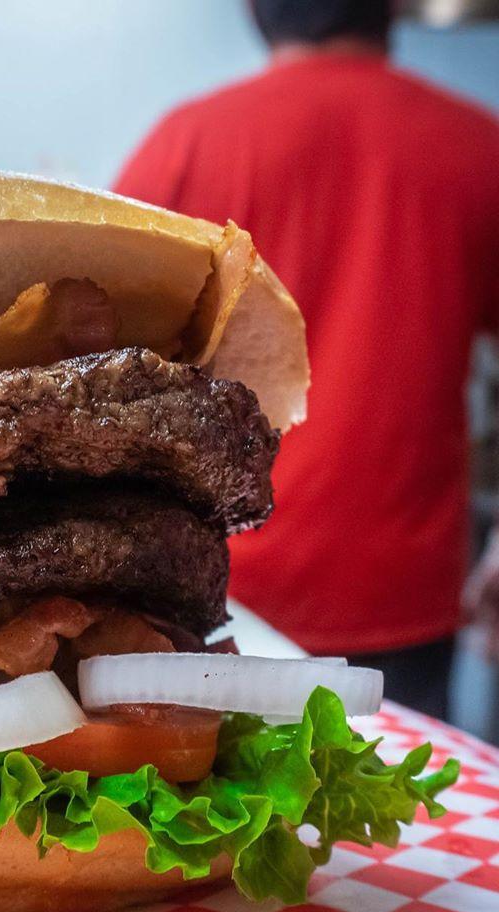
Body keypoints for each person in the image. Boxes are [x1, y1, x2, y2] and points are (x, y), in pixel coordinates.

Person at [113, 0, 499, 719]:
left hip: (218, 589)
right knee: (391, 825)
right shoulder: (478, 145)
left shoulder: (189, 141)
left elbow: (89, 354)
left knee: (220, 821)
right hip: (402, 590)